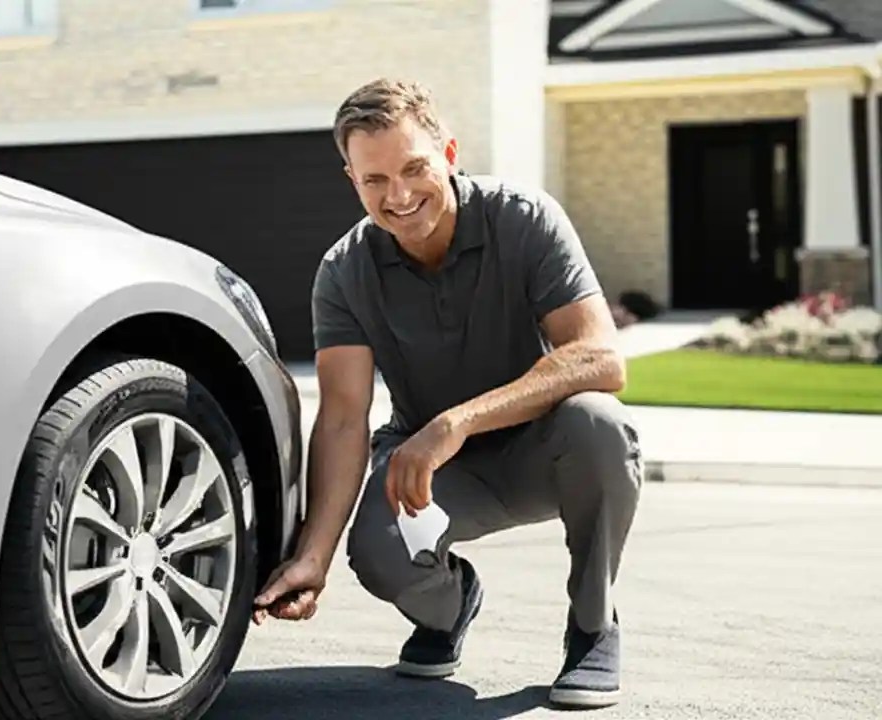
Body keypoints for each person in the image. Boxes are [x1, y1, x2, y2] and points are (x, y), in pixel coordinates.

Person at [251, 78, 643, 710]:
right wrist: (313, 557)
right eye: (375, 180)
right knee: (377, 555)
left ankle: (593, 626)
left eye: (414, 168)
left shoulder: (523, 218)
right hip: (431, 473)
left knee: (601, 423)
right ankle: (450, 606)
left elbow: (600, 357)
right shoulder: (344, 271)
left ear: (450, 153)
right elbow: (344, 418)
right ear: (352, 180)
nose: (399, 196)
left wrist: (455, 422)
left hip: (542, 449)